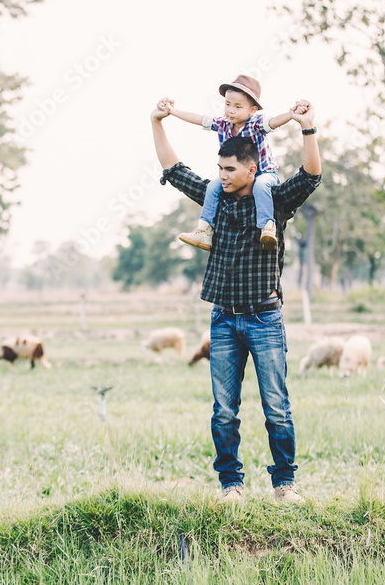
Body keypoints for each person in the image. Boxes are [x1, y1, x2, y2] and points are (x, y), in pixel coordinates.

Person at [149, 97, 322, 504]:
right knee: (224, 410)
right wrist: (157, 122)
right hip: (224, 320)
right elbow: (174, 170)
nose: (223, 176)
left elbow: (311, 176)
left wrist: (308, 130)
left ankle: (284, 485)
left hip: (265, 319)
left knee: (276, 407)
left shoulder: (274, 201)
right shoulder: (216, 199)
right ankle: (231, 485)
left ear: (251, 168)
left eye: (230, 169)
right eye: (220, 169)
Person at [158, 75, 295, 252]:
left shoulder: (256, 123)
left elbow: (273, 122)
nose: (230, 110)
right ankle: (205, 230)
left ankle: (267, 227)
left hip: (263, 173)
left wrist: (291, 115)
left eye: (238, 107)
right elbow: (199, 119)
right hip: (237, 176)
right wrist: (171, 111)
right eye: (228, 104)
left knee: (261, 186)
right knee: (213, 186)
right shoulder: (223, 123)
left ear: (252, 110)